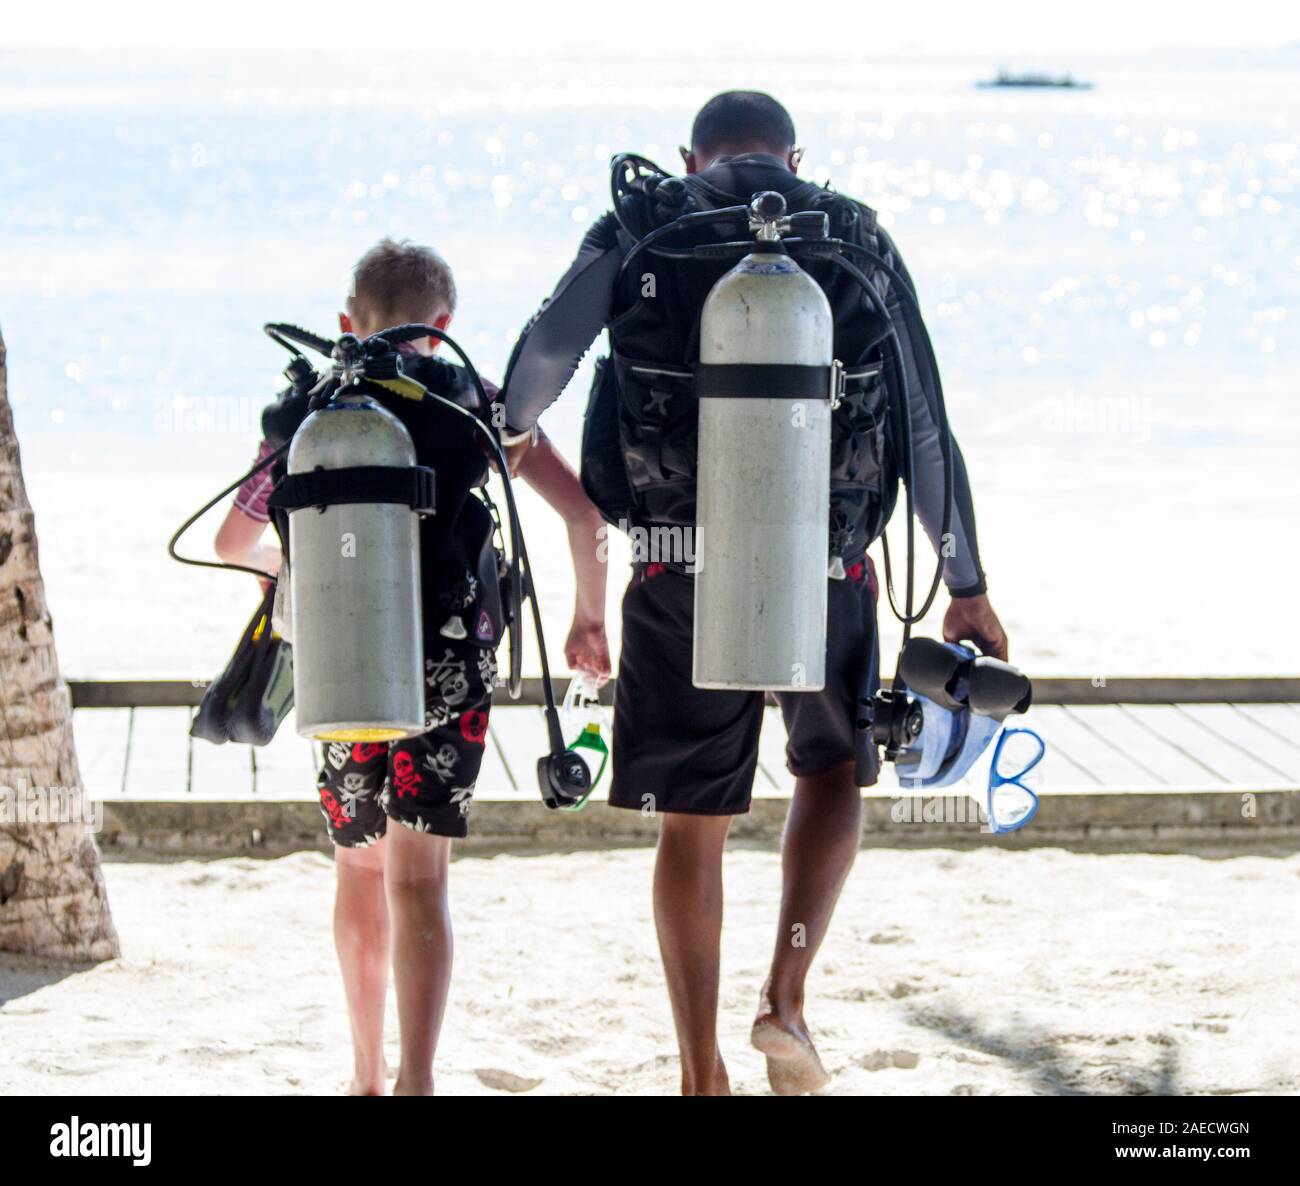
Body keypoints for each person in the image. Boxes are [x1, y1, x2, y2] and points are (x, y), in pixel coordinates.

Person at [499, 92, 1009, 1095]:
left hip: (672, 571)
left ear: (692, 155)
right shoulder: (853, 235)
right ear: (795, 155)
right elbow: (922, 432)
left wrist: (520, 445)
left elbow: (530, 380)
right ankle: (785, 995)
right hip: (829, 572)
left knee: (693, 819)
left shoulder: (645, 221)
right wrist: (965, 585)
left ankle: (699, 1070)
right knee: (827, 773)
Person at [217, 237, 609, 1095]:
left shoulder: (309, 413)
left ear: (346, 324)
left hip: (338, 659)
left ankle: (364, 1074)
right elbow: (585, 518)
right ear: (444, 326)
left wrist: (310, 578)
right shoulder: (475, 405)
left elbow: (232, 541)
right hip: (448, 665)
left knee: (358, 864)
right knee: (419, 878)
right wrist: (589, 622)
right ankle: (417, 1082)